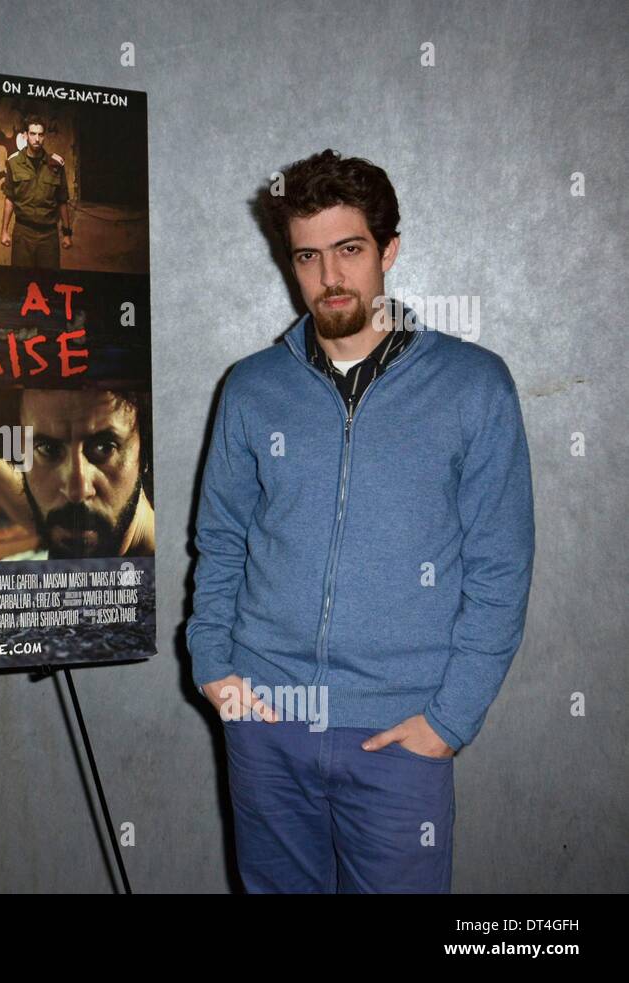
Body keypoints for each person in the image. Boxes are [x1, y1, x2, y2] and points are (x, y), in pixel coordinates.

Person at [187, 149, 535, 893]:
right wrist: (213, 665)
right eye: (306, 256)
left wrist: (450, 719)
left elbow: (501, 569)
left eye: (349, 249)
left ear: (389, 251)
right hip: (266, 723)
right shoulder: (251, 389)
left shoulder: (474, 386)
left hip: (400, 733)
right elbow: (219, 539)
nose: (328, 277)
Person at [0, 387, 154, 559]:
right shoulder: (86, 526)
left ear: (145, 451)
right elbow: (46, 517)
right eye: (48, 448)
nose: (76, 491)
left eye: (104, 448)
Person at [0, 115, 72, 269]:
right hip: (23, 233)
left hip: (48, 236)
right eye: (32, 134)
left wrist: (67, 233)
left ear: (44, 136)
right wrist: (4, 231)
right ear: (25, 135)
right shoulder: (14, 163)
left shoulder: (56, 164)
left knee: (49, 283)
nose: (36, 139)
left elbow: (62, 201)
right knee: (21, 282)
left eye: (40, 134)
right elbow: (9, 199)